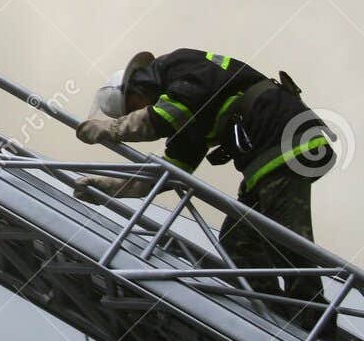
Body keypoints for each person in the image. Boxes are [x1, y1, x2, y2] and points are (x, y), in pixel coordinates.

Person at [75, 49, 336, 322]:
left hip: (284, 144)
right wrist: (107, 187)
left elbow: (162, 117)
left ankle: (315, 326)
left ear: (137, 87)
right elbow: (169, 174)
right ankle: (275, 318)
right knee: (238, 241)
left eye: (135, 107)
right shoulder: (188, 118)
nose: (138, 113)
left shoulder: (178, 67)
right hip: (265, 161)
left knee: (286, 241)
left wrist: (112, 128)